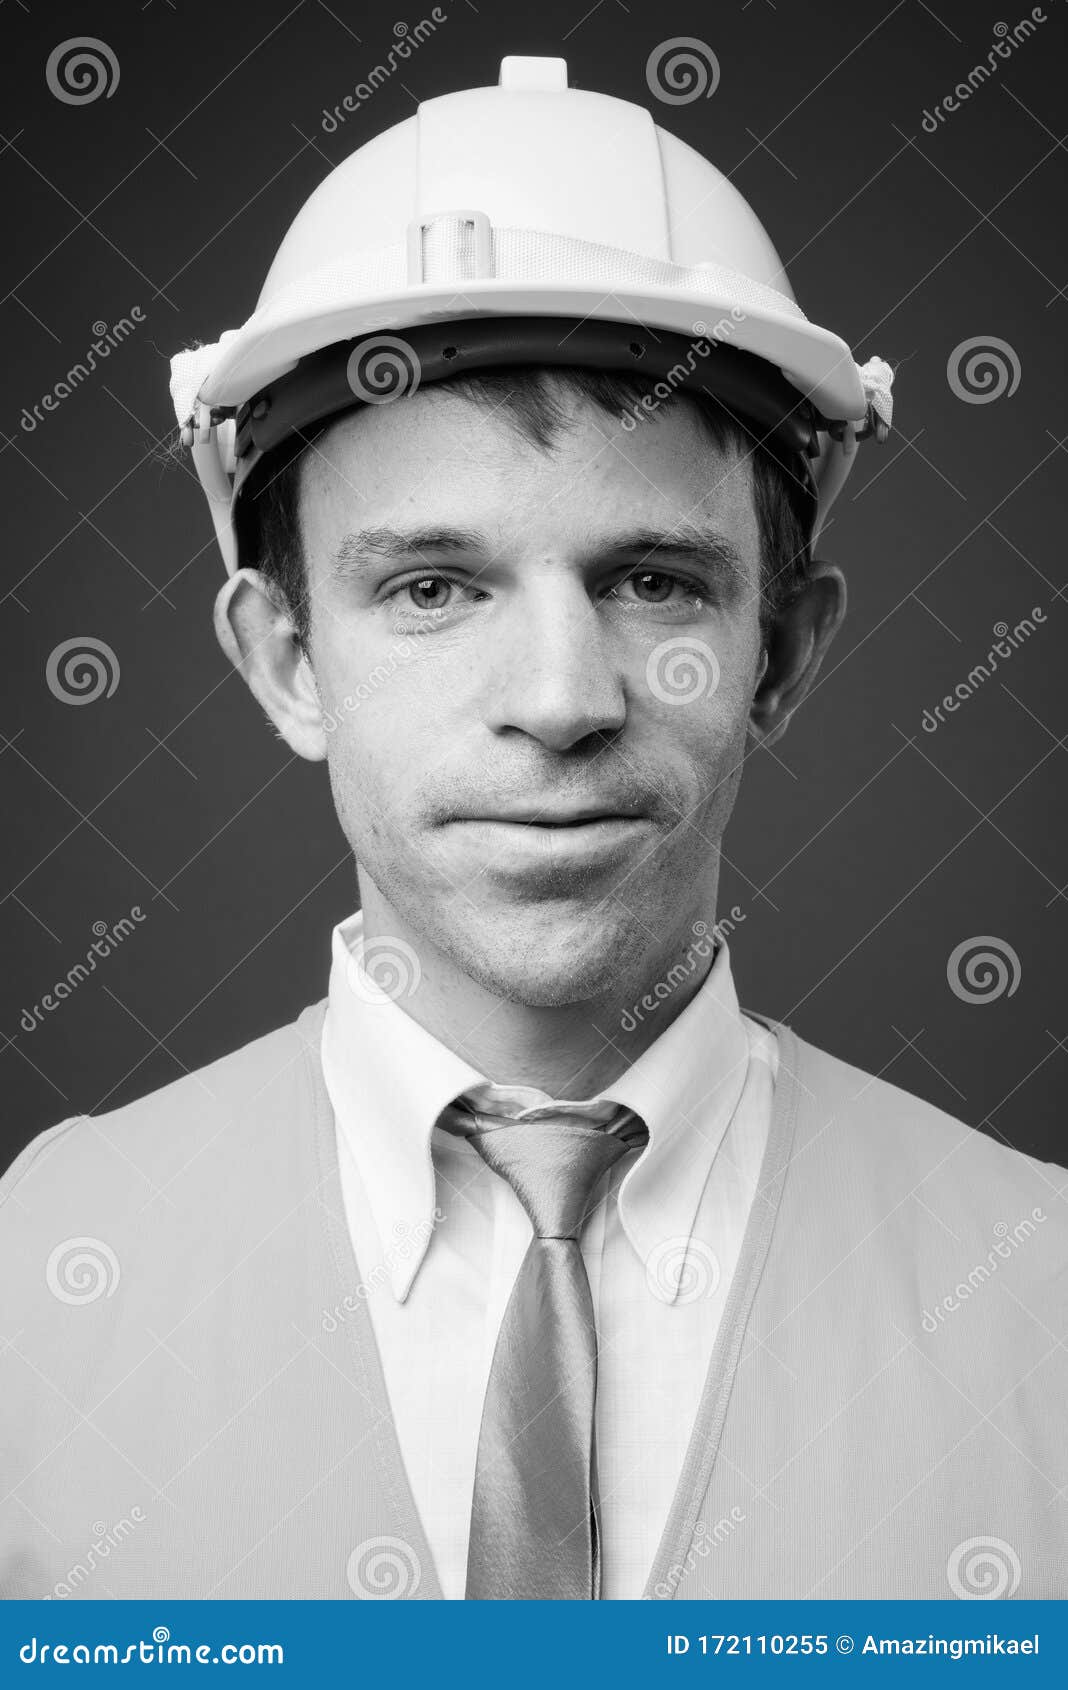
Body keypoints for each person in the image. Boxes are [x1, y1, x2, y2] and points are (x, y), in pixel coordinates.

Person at [1, 58, 1064, 1604]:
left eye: (654, 581)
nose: (563, 699)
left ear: (780, 650)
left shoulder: (1036, 1292)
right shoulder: (34, 1279)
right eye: (432, 587)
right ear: (287, 658)